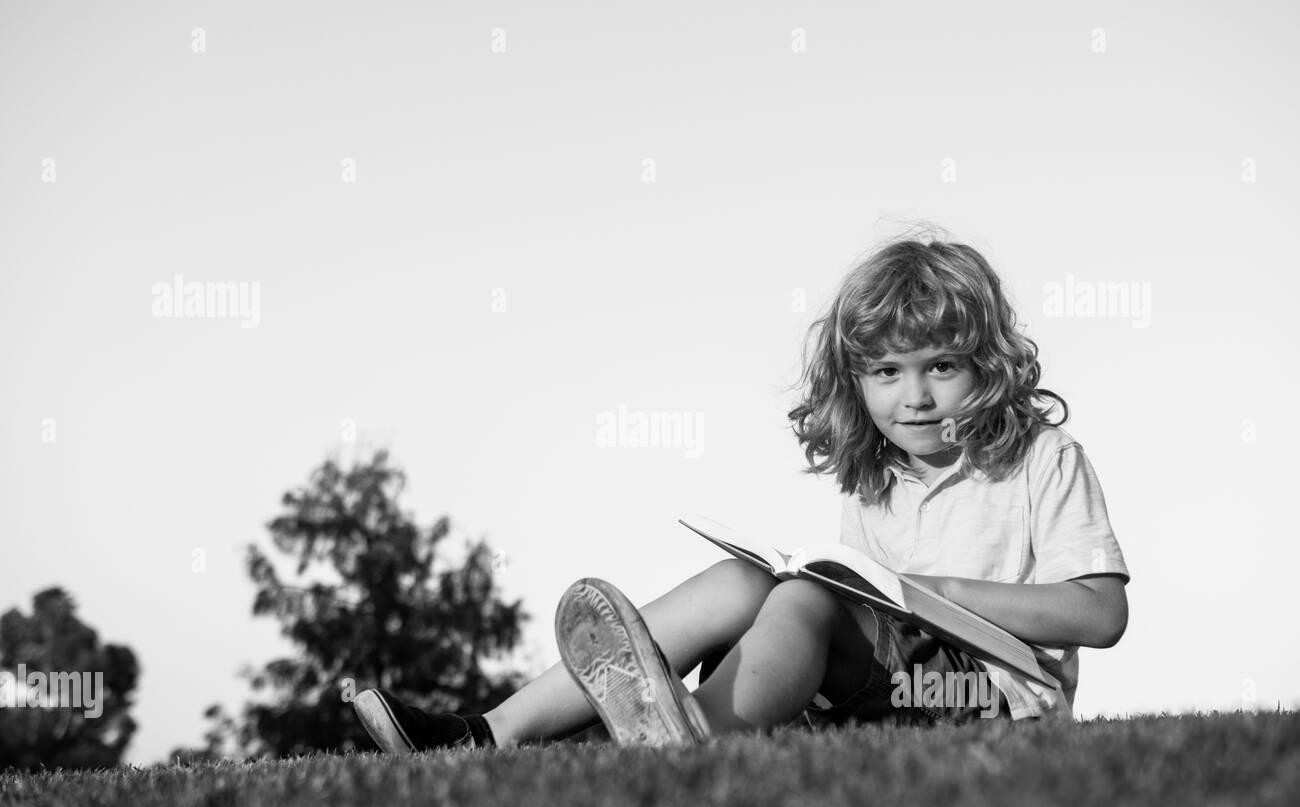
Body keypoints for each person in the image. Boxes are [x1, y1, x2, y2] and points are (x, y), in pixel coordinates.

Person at [352, 228, 1130, 754]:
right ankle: (482, 734)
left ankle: (691, 731)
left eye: (941, 367)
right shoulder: (878, 481)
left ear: (986, 366)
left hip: (994, 703)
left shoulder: (1041, 460)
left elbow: (1100, 614)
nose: (915, 396)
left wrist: (932, 591)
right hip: (894, 693)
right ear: (856, 383)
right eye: (888, 373)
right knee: (747, 582)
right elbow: (868, 632)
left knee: (809, 600)